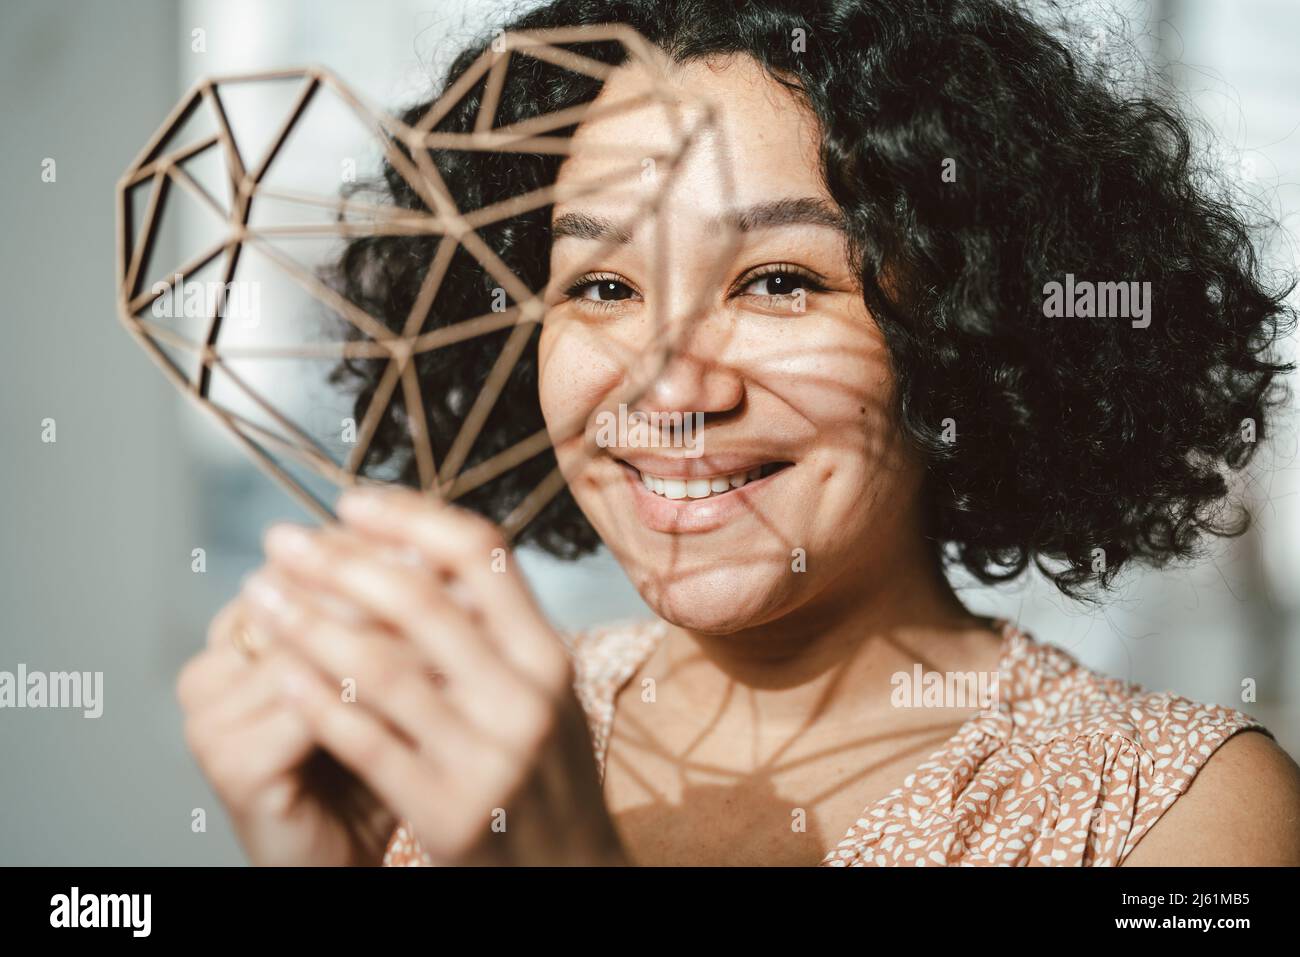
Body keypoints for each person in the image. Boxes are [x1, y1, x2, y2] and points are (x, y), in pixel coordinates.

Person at [177, 0, 1300, 866]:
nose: (668, 382)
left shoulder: (1176, 815)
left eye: (775, 280)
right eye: (602, 286)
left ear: (964, 324)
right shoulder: (446, 754)